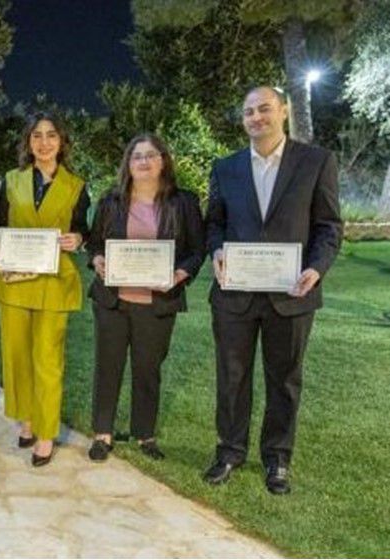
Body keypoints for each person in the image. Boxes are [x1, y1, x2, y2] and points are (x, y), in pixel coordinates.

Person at [204, 86, 342, 494]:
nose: (256, 117)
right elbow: (215, 223)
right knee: (231, 377)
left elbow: (329, 226)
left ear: (283, 111)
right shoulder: (225, 168)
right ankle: (229, 452)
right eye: (248, 111)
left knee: (284, 380)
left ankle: (277, 460)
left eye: (264, 108)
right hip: (235, 295)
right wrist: (216, 251)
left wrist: (316, 268)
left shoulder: (316, 162)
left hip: (292, 294)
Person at [87, 133, 205, 462]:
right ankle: (103, 433)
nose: (143, 161)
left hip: (158, 302)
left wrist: (180, 275)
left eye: (151, 155)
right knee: (107, 366)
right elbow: (95, 244)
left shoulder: (184, 202)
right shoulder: (111, 201)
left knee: (148, 368)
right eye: (136, 156)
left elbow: (197, 250)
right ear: (128, 163)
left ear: (163, 160)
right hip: (112, 300)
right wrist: (97, 260)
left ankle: (145, 433)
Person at [0, 113, 89, 467]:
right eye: (37, 136)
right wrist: (5, 251)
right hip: (15, 282)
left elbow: (82, 230)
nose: (44, 142)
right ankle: (27, 419)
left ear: (61, 142)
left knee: (48, 360)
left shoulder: (76, 186)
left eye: (51, 136)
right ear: (28, 142)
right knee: (17, 356)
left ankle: (46, 433)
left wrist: (77, 238)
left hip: (53, 283)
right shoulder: (11, 181)